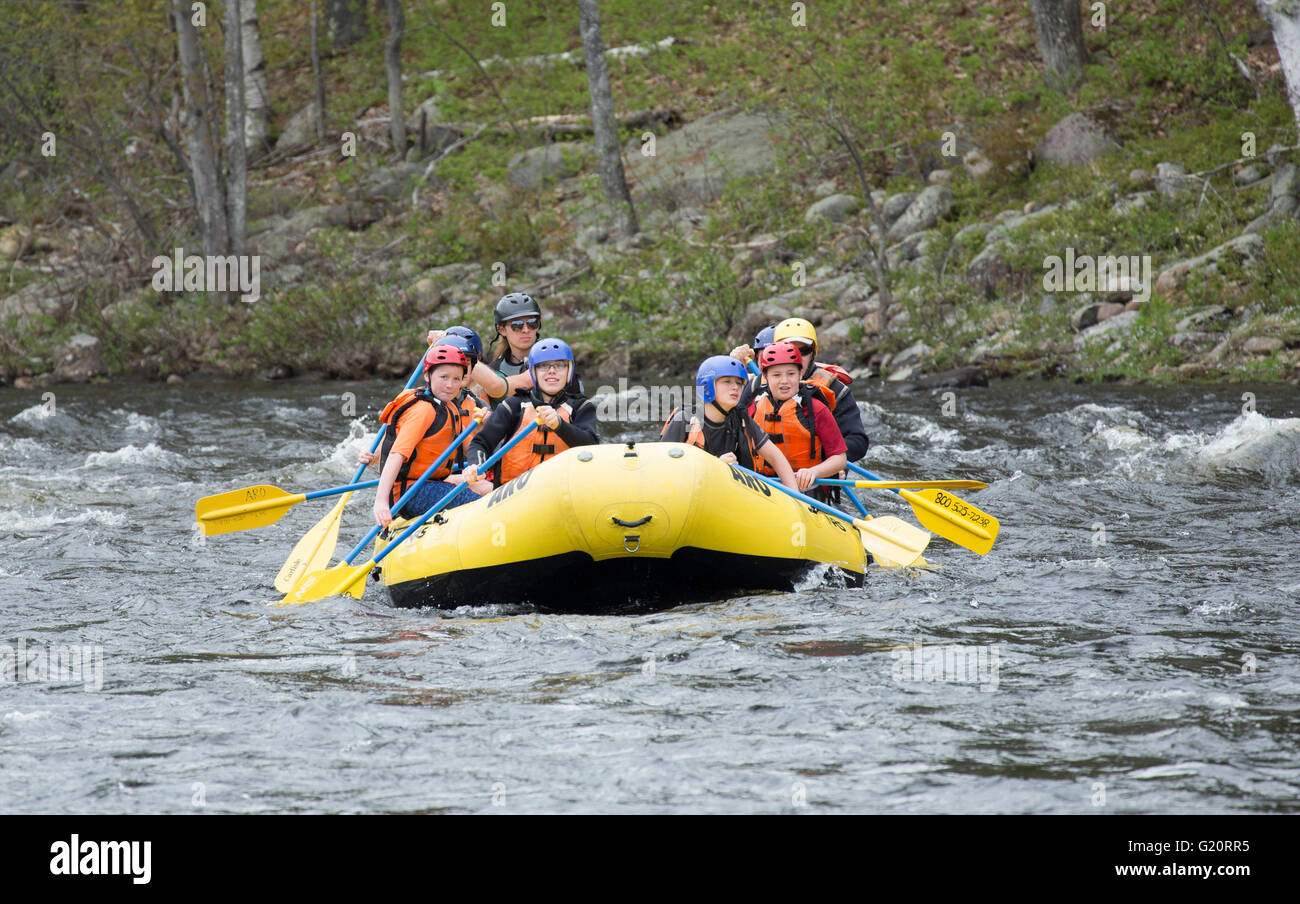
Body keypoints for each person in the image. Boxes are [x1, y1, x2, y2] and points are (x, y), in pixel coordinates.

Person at [363, 345, 492, 528]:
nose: (450, 385)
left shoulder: (450, 408)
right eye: (443, 377)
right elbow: (396, 454)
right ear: (427, 376)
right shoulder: (423, 410)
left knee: (489, 489)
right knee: (479, 504)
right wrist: (381, 502)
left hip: (432, 482)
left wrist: (479, 434)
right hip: (409, 493)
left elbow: (468, 445)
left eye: (456, 379)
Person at [462, 337, 599, 487]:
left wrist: (560, 425)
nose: (552, 371)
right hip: (514, 492)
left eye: (559, 366)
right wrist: (476, 465)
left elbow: (591, 447)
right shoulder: (514, 405)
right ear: (533, 372)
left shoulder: (582, 407)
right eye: (544, 366)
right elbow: (481, 443)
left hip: (563, 490)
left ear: (569, 371)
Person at [735, 317, 869, 463]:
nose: (796, 357)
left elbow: (858, 442)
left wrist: (827, 461)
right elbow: (734, 427)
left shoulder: (835, 390)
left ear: (813, 353)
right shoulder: (756, 386)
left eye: (803, 350)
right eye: (789, 349)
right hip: (762, 474)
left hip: (813, 474)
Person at [660, 355, 798, 490]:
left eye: (739, 383)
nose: (735, 387)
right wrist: (715, 466)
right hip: (688, 493)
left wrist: (795, 496)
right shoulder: (684, 420)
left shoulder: (740, 419)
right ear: (707, 386)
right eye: (727, 381)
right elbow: (662, 469)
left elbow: (775, 457)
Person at [749, 341, 848, 497]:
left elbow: (840, 459)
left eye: (791, 374)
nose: (784, 381)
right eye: (776, 375)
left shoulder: (816, 409)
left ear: (801, 374)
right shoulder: (754, 405)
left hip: (806, 489)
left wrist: (813, 472)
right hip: (764, 485)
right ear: (765, 376)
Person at [425, 324, 511, 405]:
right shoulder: (426, 400)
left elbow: (496, 385)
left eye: (465, 361)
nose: (460, 369)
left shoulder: (479, 402)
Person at [485, 292, 543, 399]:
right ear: (501, 330)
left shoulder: (556, 357)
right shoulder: (495, 370)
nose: (526, 330)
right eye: (517, 325)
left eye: (532, 323)